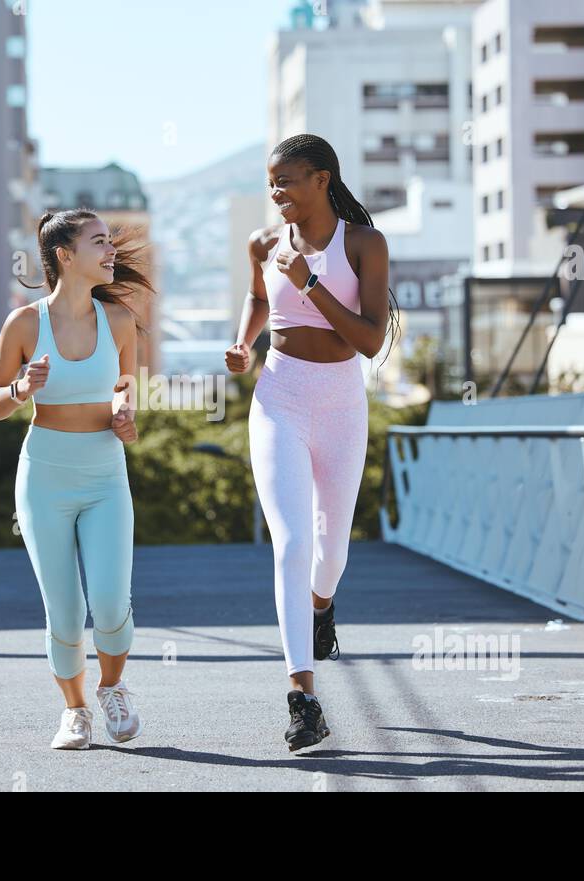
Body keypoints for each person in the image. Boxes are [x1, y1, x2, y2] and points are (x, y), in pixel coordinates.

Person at [226, 134, 398, 752]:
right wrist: (245, 344)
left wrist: (310, 283)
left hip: (342, 403)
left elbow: (371, 340)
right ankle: (304, 698)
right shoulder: (264, 244)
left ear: (322, 180)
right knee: (292, 544)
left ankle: (322, 606)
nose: (277, 194)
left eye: (288, 181)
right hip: (279, 398)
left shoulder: (364, 244)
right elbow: (256, 298)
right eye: (271, 183)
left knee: (331, 553)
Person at [0, 209, 154, 750]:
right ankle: (74, 711)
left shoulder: (121, 321)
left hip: (105, 472)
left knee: (108, 600)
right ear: (64, 256)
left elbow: (125, 392)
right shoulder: (25, 324)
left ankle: (112, 688)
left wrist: (125, 418)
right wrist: (19, 389)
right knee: (64, 609)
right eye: (98, 242)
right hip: (44, 475)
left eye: (108, 242)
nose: (110, 251)